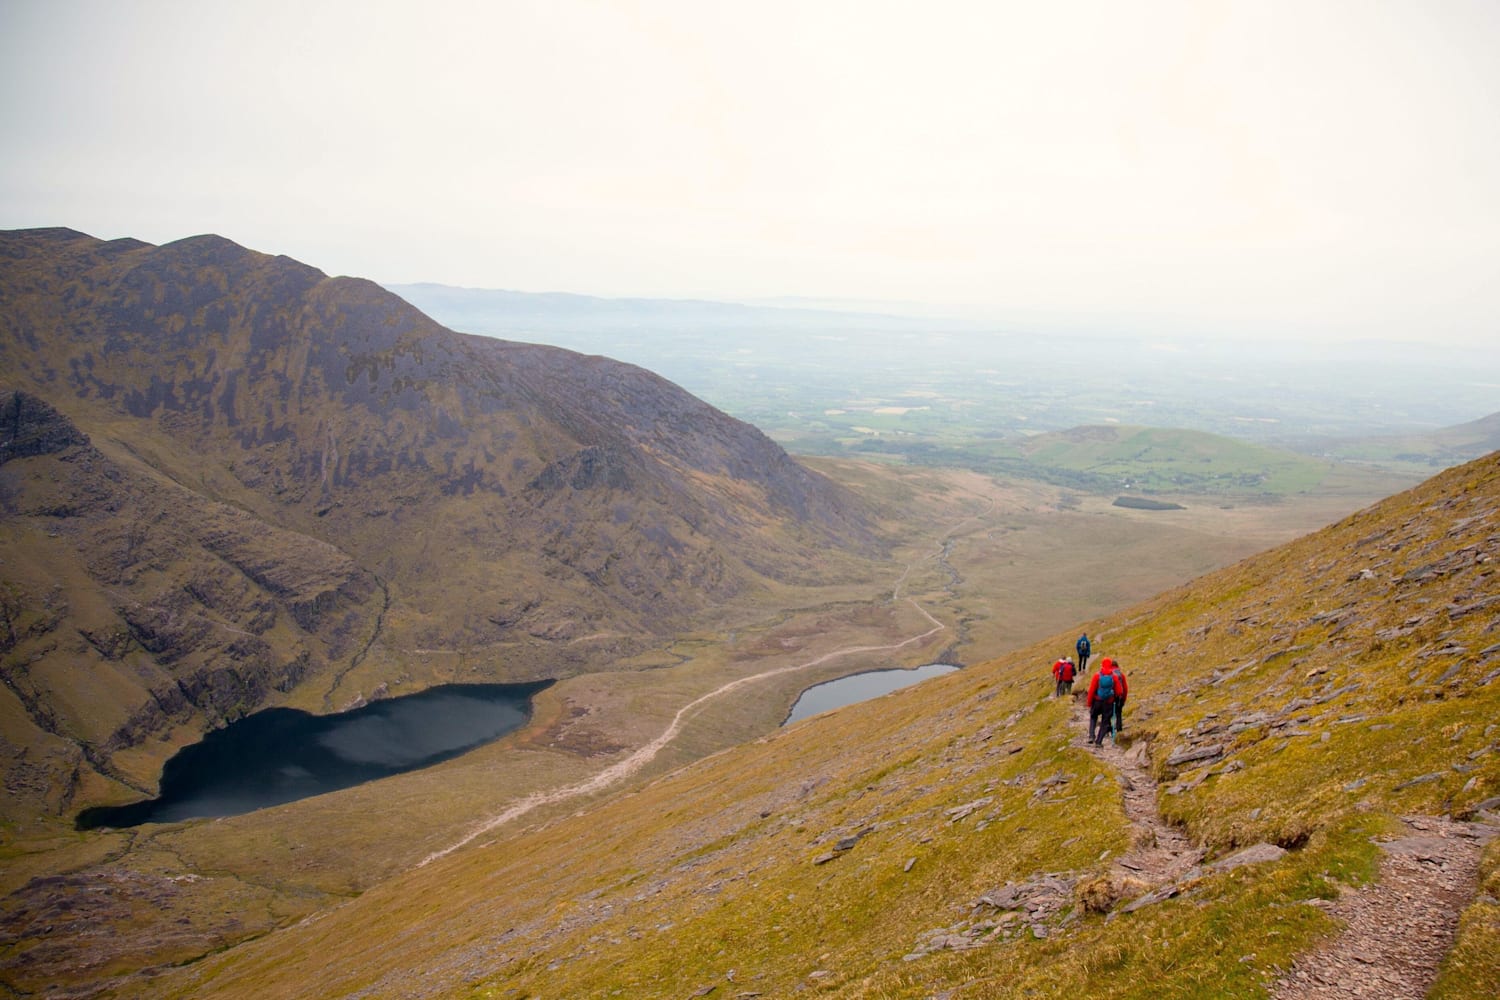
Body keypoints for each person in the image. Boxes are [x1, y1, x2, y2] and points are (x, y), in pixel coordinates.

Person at [1086, 656, 1118, 746]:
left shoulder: (1097, 676)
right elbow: (1119, 690)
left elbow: (1092, 690)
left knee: (1093, 717)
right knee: (1105, 721)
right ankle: (1099, 742)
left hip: (1097, 701)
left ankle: (1091, 736)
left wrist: (1089, 703)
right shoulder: (1114, 676)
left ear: (1102, 665)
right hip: (1108, 703)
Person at [1105, 658, 1128, 733]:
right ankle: (1119, 729)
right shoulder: (1121, 675)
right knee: (1118, 713)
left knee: (1108, 712)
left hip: (1109, 696)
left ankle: (1108, 728)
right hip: (1119, 697)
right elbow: (1125, 688)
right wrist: (1123, 699)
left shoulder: (1108, 674)